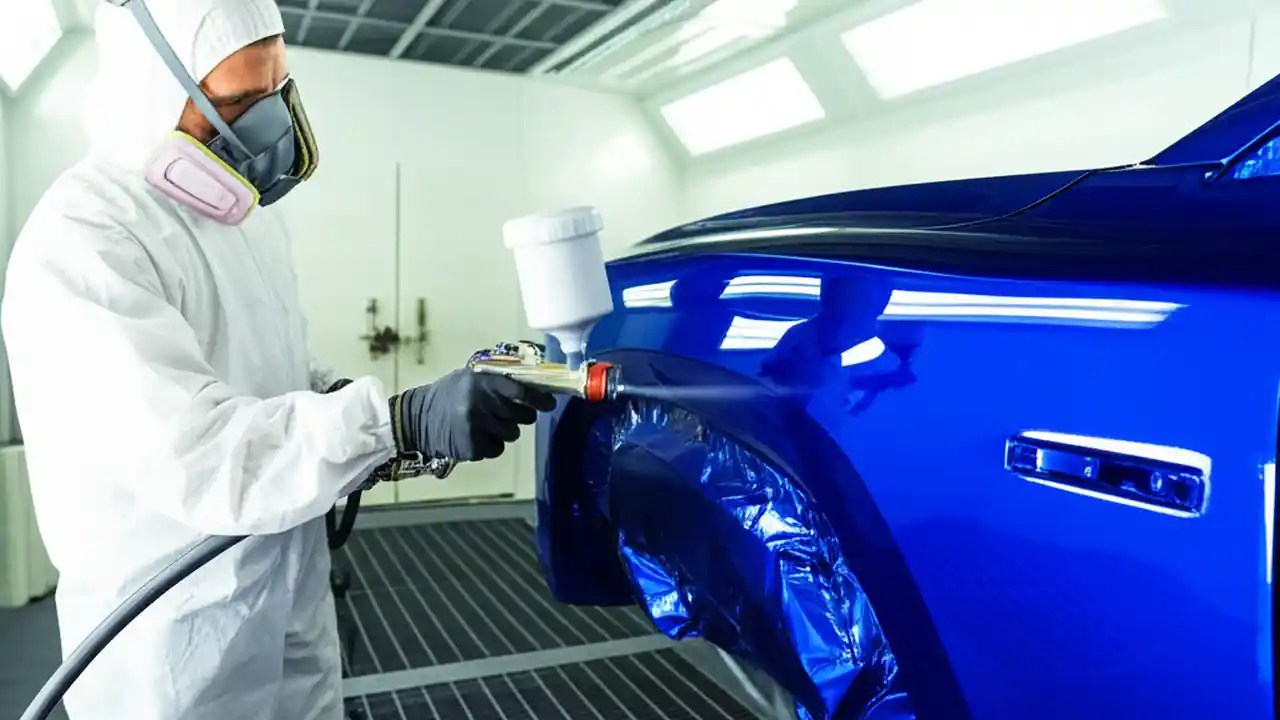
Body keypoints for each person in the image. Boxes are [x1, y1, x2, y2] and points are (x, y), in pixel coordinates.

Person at [0, 1, 554, 718]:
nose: (264, 128)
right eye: (237, 103)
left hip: (285, 584)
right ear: (150, 96)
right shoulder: (83, 242)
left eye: (274, 93)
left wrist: (379, 413)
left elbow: (278, 370)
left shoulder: (243, 216)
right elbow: (197, 453)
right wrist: (398, 425)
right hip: (173, 639)